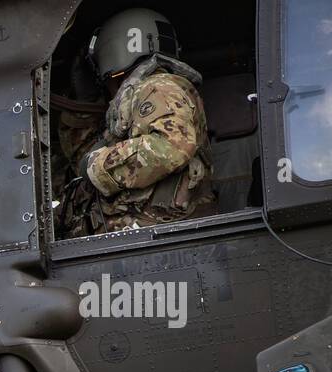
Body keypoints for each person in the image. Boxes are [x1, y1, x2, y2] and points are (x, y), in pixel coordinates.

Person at [56, 7, 214, 238]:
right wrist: (84, 105)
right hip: (140, 238)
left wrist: (99, 167)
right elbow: (84, 161)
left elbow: (171, 147)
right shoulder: (137, 98)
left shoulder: (157, 86)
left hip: (157, 238)